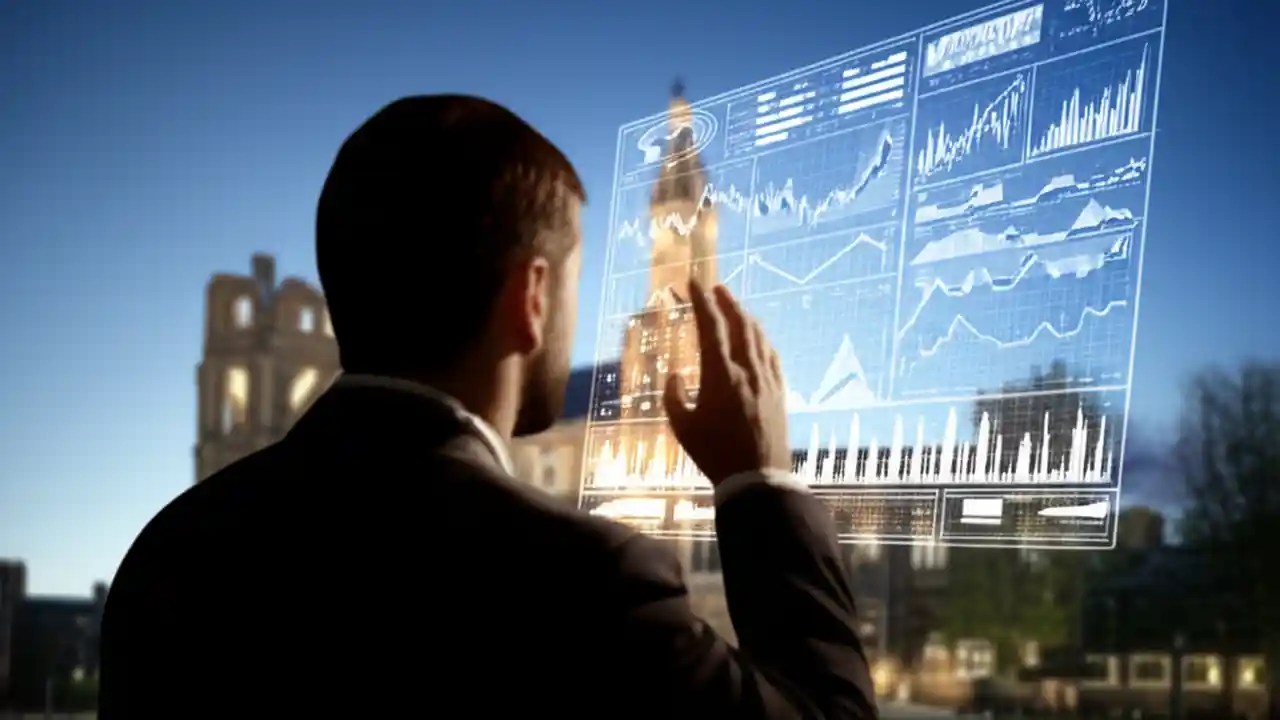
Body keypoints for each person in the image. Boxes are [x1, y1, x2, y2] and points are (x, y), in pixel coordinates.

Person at [98, 95, 878, 719]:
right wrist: (760, 483)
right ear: (532, 298)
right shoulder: (585, 584)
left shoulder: (171, 553)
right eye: (573, 284)